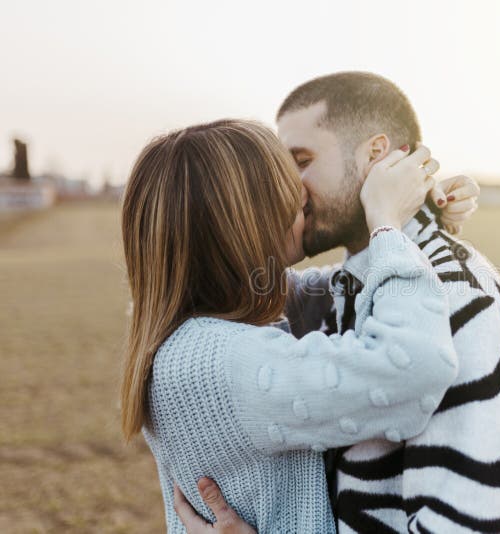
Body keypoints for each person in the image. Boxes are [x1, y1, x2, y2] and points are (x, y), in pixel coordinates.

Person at [178, 72, 500, 533]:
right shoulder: (348, 288)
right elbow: (219, 287)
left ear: (377, 156)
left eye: (301, 160)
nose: (283, 188)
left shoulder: (462, 308)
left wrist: (400, 214)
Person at [120, 118, 480, 532]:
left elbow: (343, 285)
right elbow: (414, 367)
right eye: (289, 197)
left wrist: (417, 219)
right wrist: (385, 222)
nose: (304, 204)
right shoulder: (222, 363)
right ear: (245, 225)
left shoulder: (191, 329)